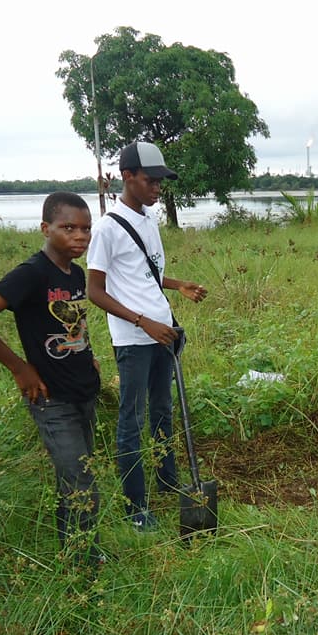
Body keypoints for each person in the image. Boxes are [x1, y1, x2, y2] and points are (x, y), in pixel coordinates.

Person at [0, 192, 102, 564]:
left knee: (76, 478)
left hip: (83, 389)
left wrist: (89, 354)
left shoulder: (75, 273)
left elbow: (74, 323)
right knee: (81, 484)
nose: (79, 236)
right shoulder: (32, 273)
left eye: (85, 228)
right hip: (53, 399)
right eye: (68, 227)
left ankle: (80, 553)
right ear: (45, 228)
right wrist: (19, 367)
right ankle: (80, 566)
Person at [86, 141, 207, 531]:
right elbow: (95, 291)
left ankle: (167, 479)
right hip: (135, 341)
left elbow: (146, 275)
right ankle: (134, 506)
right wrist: (142, 322)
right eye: (150, 180)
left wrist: (178, 285)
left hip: (163, 335)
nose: (158, 188)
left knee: (162, 411)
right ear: (127, 177)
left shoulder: (148, 220)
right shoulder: (107, 228)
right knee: (131, 420)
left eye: (161, 181)